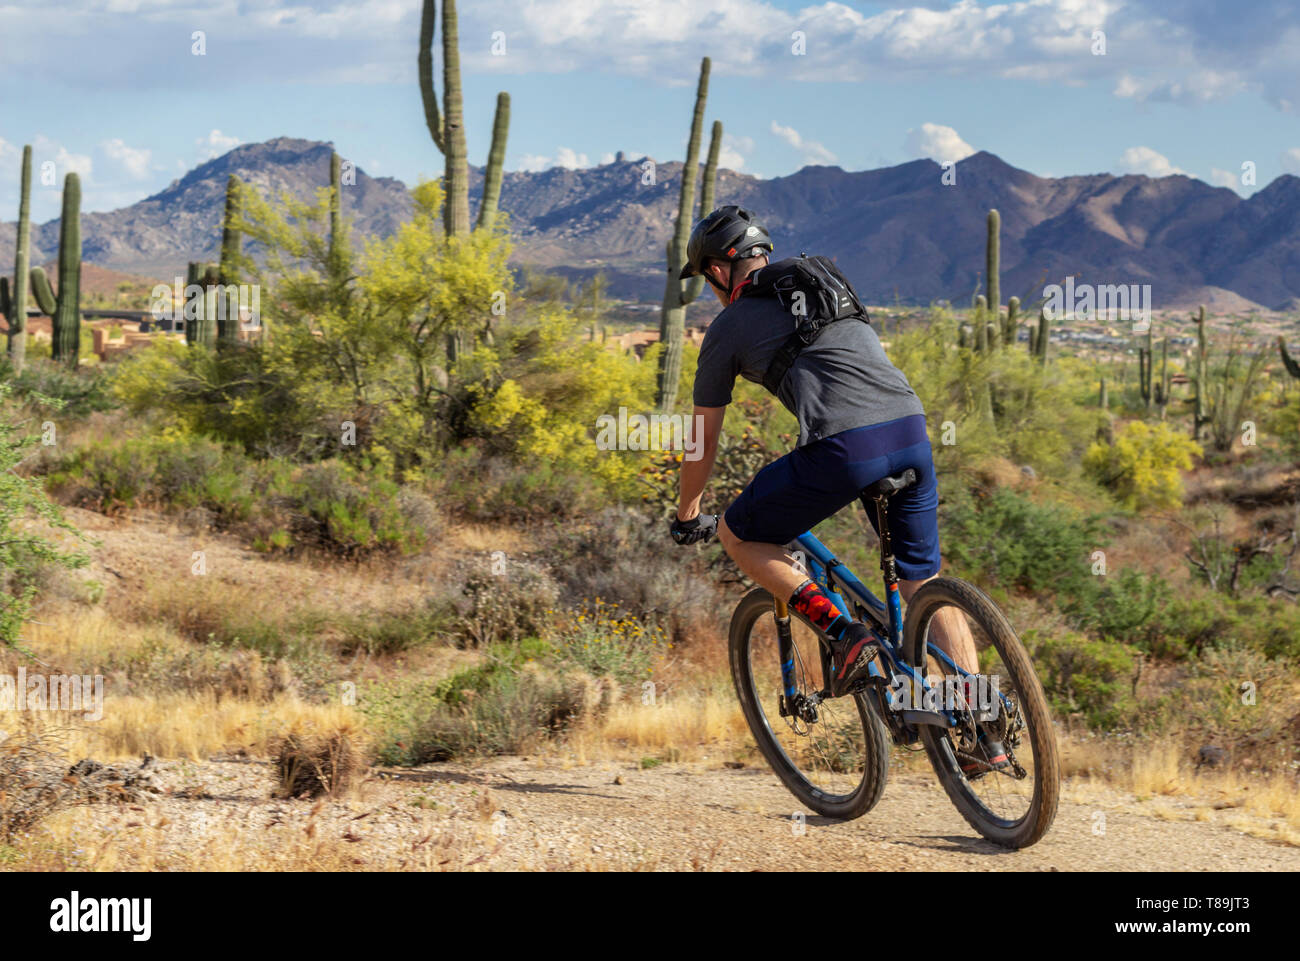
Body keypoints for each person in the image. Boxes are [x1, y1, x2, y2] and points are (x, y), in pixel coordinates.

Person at [667, 205, 1004, 770]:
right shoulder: (826, 284)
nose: (708, 290)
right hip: (910, 431)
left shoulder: (727, 327)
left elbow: (702, 442)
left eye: (705, 278)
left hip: (844, 449)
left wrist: (688, 511)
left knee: (739, 533)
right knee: (924, 579)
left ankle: (845, 635)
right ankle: (980, 727)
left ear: (721, 269)